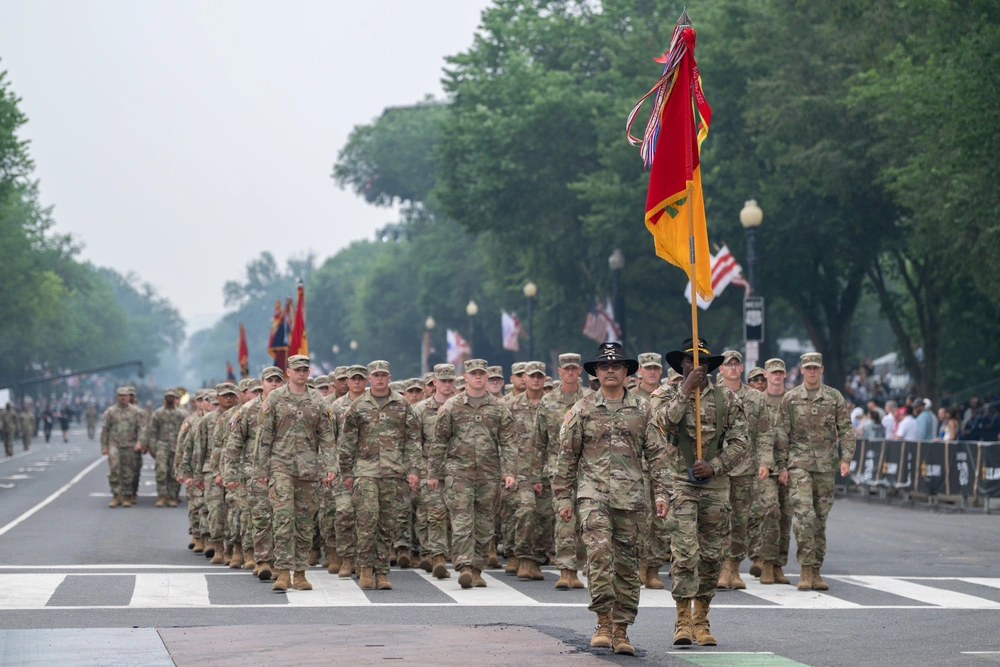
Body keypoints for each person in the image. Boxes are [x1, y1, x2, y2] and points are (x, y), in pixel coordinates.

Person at [553, 342, 671, 656]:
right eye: (604, 367)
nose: (609, 371)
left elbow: (658, 456)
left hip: (632, 499)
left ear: (626, 372)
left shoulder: (644, 408)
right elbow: (566, 457)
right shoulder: (583, 408)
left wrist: (662, 493)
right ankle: (603, 622)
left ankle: (622, 629)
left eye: (616, 366)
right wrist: (564, 499)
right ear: (596, 372)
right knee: (599, 555)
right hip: (592, 496)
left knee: (629, 568)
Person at [658, 338, 749, 647]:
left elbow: (740, 440)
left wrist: (715, 465)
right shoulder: (666, 394)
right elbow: (661, 424)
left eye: (702, 361)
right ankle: (682, 619)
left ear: (710, 366)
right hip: (679, 483)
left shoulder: (727, 399)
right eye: (689, 360)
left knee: (711, 557)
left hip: (714, 485)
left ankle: (701, 618)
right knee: (685, 552)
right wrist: (685, 390)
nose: (695, 365)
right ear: (680, 364)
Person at [430, 359, 517, 590]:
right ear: (465, 378)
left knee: (485, 524)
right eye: (473, 374)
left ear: (487, 378)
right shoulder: (451, 405)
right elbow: (439, 441)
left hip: (489, 474)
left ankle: (478, 568)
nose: (478, 377)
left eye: (481, 374)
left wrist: (509, 471)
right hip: (458, 473)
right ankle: (464, 566)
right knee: (461, 522)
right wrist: (433, 473)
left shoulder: (498, 407)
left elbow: (508, 442)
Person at [254, 355, 337, 592]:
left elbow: (327, 438)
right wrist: (261, 469)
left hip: (308, 470)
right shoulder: (276, 398)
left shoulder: (318, 401)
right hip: (281, 467)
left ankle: (300, 573)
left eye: (305, 370)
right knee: (282, 519)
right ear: (288, 372)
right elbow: (264, 436)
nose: (301, 373)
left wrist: (330, 467)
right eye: (297, 370)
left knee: (304, 523)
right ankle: (282, 572)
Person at [775, 352, 855, 592]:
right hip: (799, 464)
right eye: (807, 368)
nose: (811, 371)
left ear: (821, 370)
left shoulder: (833, 397)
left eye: (815, 368)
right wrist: (781, 466)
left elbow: (847, 430)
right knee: (804, 516)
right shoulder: (790, 399)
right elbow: (781, 434)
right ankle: (805, 569)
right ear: (801, 370)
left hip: (825, 465)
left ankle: (816, 571)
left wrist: (846, 459)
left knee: (820, 519)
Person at [339, 360, 421, 590]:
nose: (380, 379)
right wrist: (346, 472)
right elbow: (348, 441)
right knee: (367, 520)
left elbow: (413, 441)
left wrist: (414, 470)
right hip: (365, 472)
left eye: (384, 375)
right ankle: (365, 568)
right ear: (369, 379)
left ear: (390, 377)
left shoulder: (402, 405)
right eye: (376, 375)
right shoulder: (358, 406)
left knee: (387, 524)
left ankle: (382, 571)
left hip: (394, 472)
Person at [528, 353, 590, 587]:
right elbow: (538, 441)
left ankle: (581, 563)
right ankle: (566, 570)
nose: (571, 372)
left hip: (587, 469)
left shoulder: (590, 399)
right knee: (564, 517)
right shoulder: (548, 401)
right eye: (567, 369)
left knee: (585, 518)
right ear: (560, 372)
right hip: (558, 469)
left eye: (574, 368)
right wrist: (535, 475)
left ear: (580, 370)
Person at [717, 351, 773, 590]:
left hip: (745, 467)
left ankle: (733, 568)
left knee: (740, 520)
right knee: (717, 519)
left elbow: (764, 432)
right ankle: (719, 568)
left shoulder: (755, 398)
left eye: (736, 364)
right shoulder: (710, 394)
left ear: (742, 368)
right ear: (720, 369)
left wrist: (765, 462)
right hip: (716, 468)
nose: (732, 368)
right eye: (727, 365)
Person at [324, 364, 368, 578]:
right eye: (353, 379)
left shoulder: (373, 404)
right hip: (342, 470)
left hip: (368, 469)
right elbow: (327, 440)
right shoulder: (336, 407)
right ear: (346, 382)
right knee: (343, 514)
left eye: (361, 378)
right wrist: (329, 467)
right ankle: (346, 558)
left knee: (367, 517)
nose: (357, 382)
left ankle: (364, 560)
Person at [413, 364, 457, 579]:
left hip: (459, 470)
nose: (447, 384)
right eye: (443, 381)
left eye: (451, 380)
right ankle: (437, 556)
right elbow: (414, 443)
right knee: (433, 515)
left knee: (457, 517)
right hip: (429, 471)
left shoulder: (461, 406)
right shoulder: (421, 409)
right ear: (434, 383)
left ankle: (452, 555)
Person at [507, 361, 548, 582]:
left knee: (545, 517)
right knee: (527, 511)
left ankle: (536, 559)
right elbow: (503, 440)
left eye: (539, 376)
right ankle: (522, 556)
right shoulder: (511, 406)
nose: (535, 380)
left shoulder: (552, 405)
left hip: (547, 469)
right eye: (531, 376)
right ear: (524, 377)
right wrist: (506, 471)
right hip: (520, 469)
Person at [634, 352, 671, 590]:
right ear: (639, 370)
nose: (652, 372)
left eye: (656, 368)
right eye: (648, 368)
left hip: (664, 464)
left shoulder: (669, 396)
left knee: (660, 519)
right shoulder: (630, 397)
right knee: (638, 518)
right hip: (637, 465)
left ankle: (654, 568)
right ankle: (638, 566)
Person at [140, 389, 187, 508]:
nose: (170, 399)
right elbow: (153, 432)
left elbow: (187, 432)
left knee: (175, 472)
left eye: (173, 397)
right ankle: (162, 495)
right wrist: (151, 447)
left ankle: (173, 496)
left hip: (177, 447)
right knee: (161, 471)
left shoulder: (182, 414)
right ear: (165, 399)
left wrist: (186, 448)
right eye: (168, 397)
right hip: (162, 446)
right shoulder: (158, 414)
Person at [100, 388, 145, 508]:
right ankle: (116, 495)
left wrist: (140, 443)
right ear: (117, 397)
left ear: (129, 397)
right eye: (120, 395)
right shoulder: (110, 412)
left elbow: (141, 429)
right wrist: (104, 446)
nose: (123, 398)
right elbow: (105, 430)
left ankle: (126, 495)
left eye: (125, 395)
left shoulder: (135, 411)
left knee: (128, 471)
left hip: (130, 445)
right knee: (114, 469)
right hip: (114, 444)